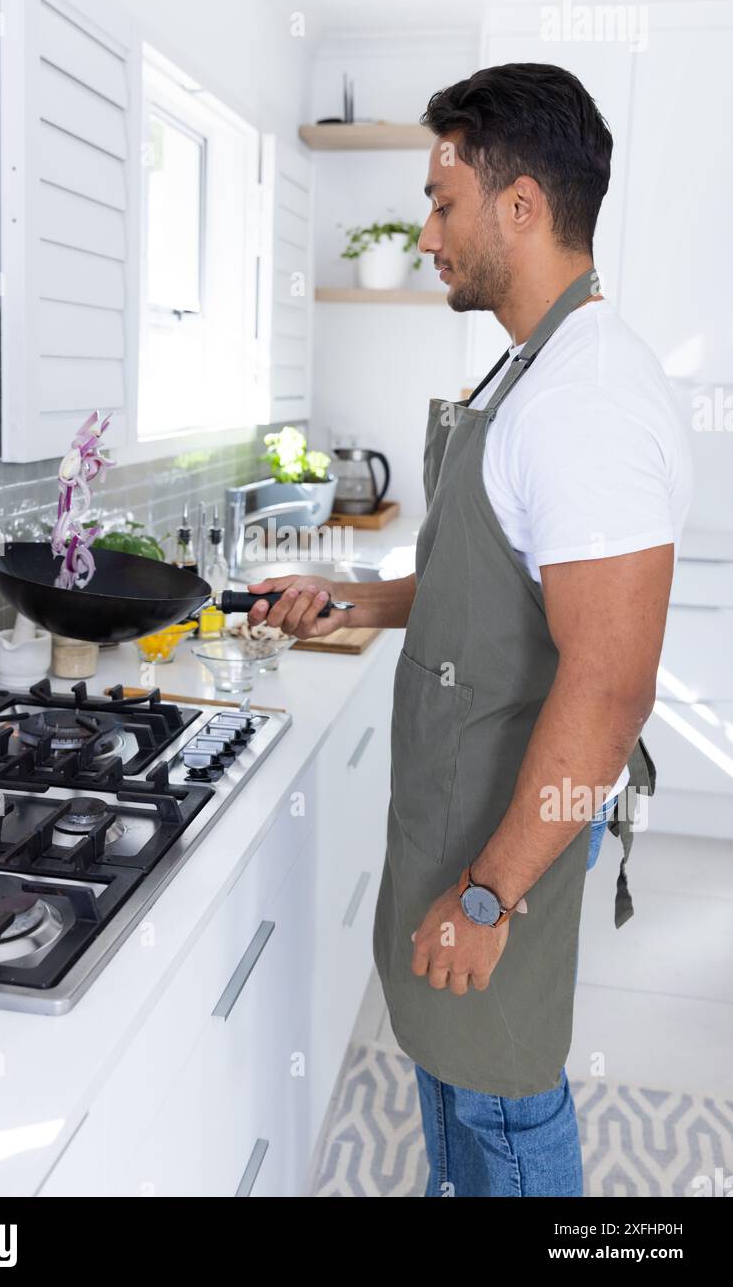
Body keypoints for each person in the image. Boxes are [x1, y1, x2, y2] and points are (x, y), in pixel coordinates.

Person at [246, 63, 692, 1197]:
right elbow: (480, 578)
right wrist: (355, 599)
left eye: (444, 203)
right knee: (450, 1061)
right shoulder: (525, 371)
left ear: (523, 206)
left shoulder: (589, 398)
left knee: (501, 1090)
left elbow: (608, 686)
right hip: (468, 792)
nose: (429, 230)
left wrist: (490, 893)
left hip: (515, 821)